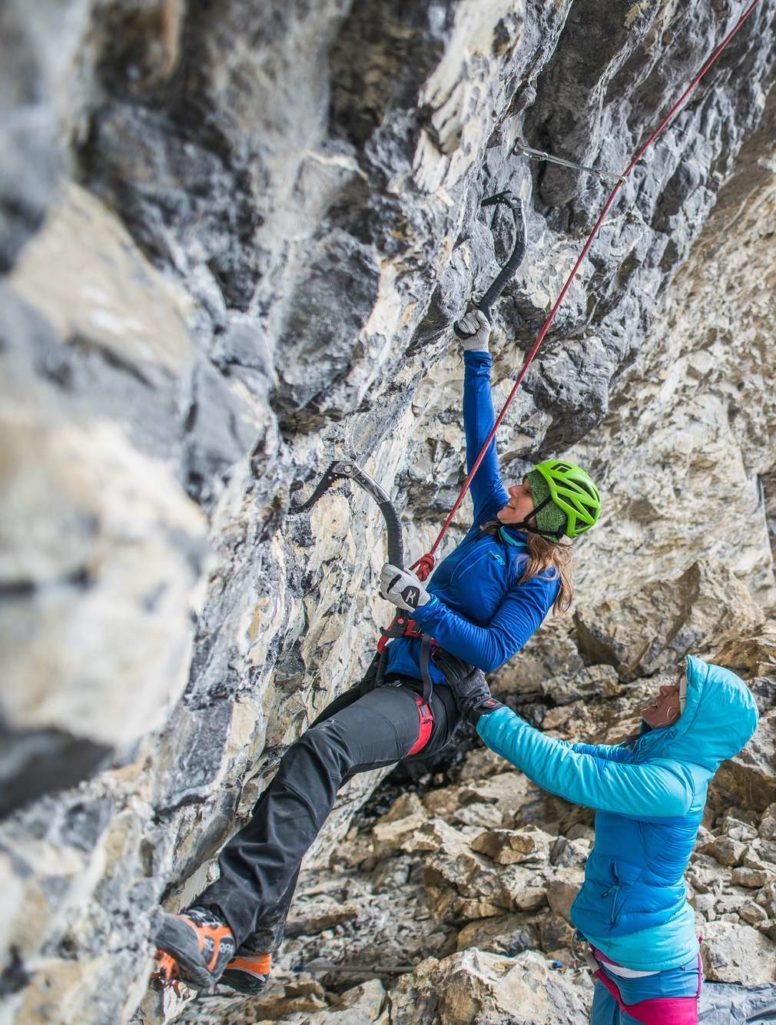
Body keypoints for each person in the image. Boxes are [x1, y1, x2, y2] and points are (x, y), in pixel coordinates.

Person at [151, 310, 602, 993]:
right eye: (523, 483)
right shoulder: (493, 520)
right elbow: (484, 443)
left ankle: (218, 924)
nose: (515, 488)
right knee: (306, 766)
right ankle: (255, 950)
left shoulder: (535, 581)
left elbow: (492, 648)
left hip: (432, 701)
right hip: (395, 671)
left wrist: (426, 606)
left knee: (322, 752)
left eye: (529, 492)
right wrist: (477, 356)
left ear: (545, 518)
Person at [449, 654, 759, 1025]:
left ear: (692, 722)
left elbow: (570, 773)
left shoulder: (673, 787)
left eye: (678, 692)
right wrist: (485, 708)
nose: (663, 688)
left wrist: (485, 710)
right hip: (622, 963)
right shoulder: (647, 760)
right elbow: (576, 754)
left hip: (657, 979)